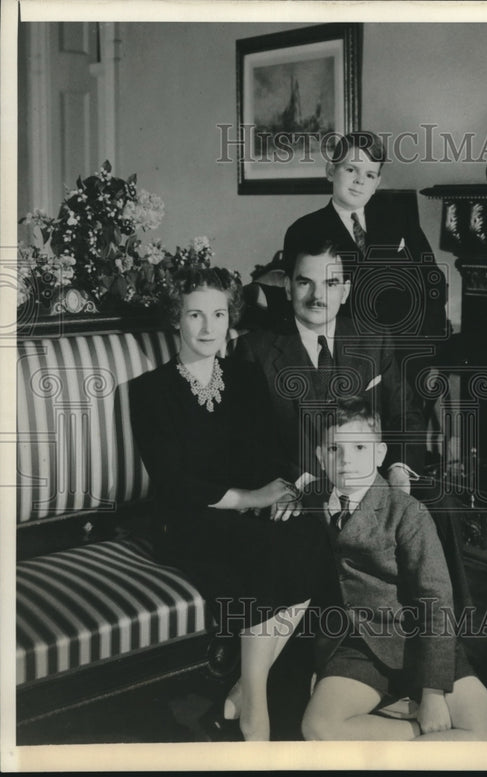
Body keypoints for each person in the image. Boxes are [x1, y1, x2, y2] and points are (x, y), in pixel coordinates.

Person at [128, 264, 337, 741]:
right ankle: (256, 712)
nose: (207, 327)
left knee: (309, 530)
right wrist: (253, 498)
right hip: (186, 522)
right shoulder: (150, 392)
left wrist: (286, 492)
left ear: (231, 319)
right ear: (175, 320)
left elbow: (266, 454)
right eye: (195, 315)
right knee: (263, 549)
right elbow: (175, 484)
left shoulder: (244, 377)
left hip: (247, 509)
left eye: (218, 315)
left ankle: (245, 691)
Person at [300, 396, 487, 742]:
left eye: (358, 447)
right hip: (359, 649)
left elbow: (437, 600)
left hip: (418, 641)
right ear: (321, 457)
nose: (347, 461)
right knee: (317, 727)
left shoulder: (406, 512)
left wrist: (432, 693)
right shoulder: (313, 505)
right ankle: (415, 737)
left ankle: (409, 736)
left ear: (380, 454)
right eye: (334, 450)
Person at [233, 237, 426, 500]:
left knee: (443, 508)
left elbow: (406, 416)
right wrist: (302, 484)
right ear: (288, 289)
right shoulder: (255, 351)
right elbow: (249, 440)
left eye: (330, 283)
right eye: (305, 283)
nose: (317, 296)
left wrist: (399, 472)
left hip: (373, 486)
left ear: (345, 291)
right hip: (299, 491)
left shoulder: (374, 340)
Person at [282, 130, 449, 344]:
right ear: (331, 171)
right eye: (351, 169)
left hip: (407, 345)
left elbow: (433, 278)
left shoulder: (398, 218)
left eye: (369, 175)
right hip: (347, 349)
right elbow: (302, 303)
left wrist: (428, 339)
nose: (360, 181)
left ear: (377, 182)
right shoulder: (304, 230)